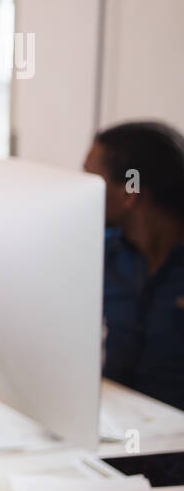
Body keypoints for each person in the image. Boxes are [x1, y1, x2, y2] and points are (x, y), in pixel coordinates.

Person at [82, 120, 184, 409]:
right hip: (111, 429)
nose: (80, 190)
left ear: (129, 192)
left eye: (90, 178)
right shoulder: (100, 255)